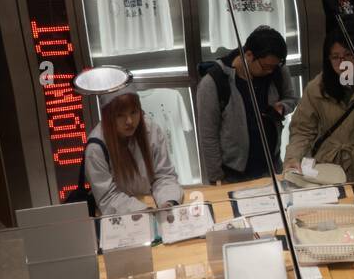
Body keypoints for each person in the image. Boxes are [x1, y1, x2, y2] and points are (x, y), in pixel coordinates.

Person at [284, 30, 354, 202]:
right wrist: (293, 158)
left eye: (348, 55)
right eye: (335, 57)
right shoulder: (316, 88)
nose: (342, 62)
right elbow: (302, 130)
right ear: (327, 60)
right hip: (328, 168)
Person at [195, 25, 297, 185]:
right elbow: (208, 136)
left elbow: (291, 98)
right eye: (265, 67)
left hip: (271, 167)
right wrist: (216, 179)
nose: (270, 71)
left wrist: (282, 107)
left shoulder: (278, 70)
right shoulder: (214, 82)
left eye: (274, 66)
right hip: (233, 174)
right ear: (249, 55)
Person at [83, 87, 183, 216]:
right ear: (108, 116)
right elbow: (107, 197)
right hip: (120, 218)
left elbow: (164, 175)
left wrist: (168, 202)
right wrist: (142, 211)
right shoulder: (96, 148)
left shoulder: (151, 130)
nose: (129, 121)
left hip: (153, 209)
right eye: (120, 115)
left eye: (134, 112)